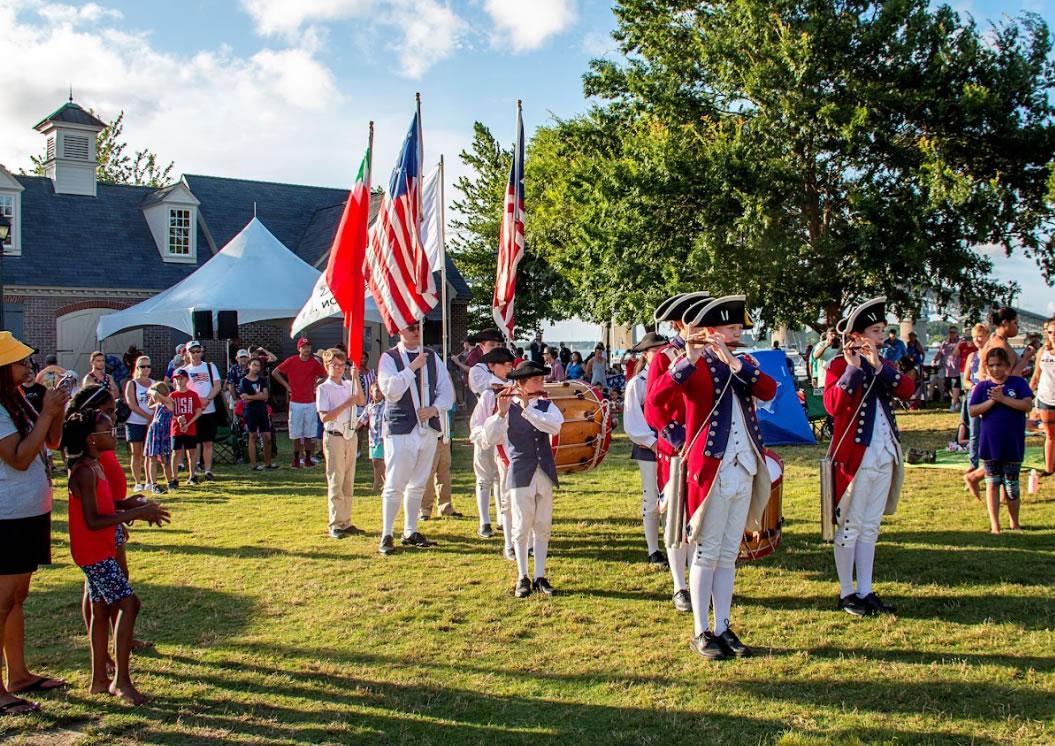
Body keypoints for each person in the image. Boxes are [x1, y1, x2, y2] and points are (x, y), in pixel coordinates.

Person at [649, 296, 777, 659]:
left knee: (727, 554)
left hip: (744, 467)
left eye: (739, 329)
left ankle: (723, 625)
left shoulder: (744, 363)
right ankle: (701, 630)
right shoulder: (691, 364)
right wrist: (689, 359)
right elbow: (657, 402)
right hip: (709, 469)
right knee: (705, 551)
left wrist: (735, 361)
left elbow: (769, 391)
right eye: (732, 328)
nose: (739, 333)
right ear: (711, 331)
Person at [63, 408, 170, 704]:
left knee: (101, 610)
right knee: (129, 604)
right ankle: (121, 682)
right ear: (90, 440)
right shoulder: (84, 471)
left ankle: (99, 679)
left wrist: (126, 504)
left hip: (100, 550)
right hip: (93, 553)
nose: (114, 434)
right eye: (107, 431)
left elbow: (104, 504)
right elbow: (93, 520)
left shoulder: (94, 466)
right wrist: (138, 512)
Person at [824, 297, 916, 618]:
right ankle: (847, 592)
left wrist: (877, 366)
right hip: (855, 455)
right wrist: (853, 368)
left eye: (882, 331)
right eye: (876, 331)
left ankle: (866, 589)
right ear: (858, 335)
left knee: (870, 527)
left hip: (883, 452)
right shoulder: (838, 365)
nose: (881, 337)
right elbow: (833, 405)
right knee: (850, 525)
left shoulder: (882, 364)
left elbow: (906, 390)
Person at [0, 333, 68, 716]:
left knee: (15, 600)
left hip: (29, 512)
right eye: (22, 362)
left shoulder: (19, 399)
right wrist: (45, 413)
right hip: (5, 515)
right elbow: (20, 458)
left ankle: (19, 675)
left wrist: (55, 410)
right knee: (1, 602)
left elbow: (51, 443)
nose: (30, 367)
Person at [480, 360, 565, 596]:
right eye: (535, 380)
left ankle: (540, 575)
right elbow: (490, 437)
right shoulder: (507, 406)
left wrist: (529, 409)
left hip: (544, 472)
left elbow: (555, 427)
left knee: (542, 525)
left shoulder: (546, 406)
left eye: (541, 379)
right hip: (520, 471)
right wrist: (501, 413)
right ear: (521, 383)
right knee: (521, 525)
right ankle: (522, 576)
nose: (541, 383)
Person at [625, 332, 695, 612]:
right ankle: (654, 548)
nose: (659, 354)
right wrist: (652, 442)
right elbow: (633, 420)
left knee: (676, 501)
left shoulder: (676, 374)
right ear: (645, 355)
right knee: (652, 498)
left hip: (673, 445)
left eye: (661, 349)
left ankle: (678, 546)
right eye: (654, 351)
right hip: (649, 445)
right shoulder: (636, 383)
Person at [376, 320, 455, 555]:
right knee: (395, 482)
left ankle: (410, 530)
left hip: (427, 427)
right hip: (401, 427)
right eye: (411, 328)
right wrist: (412, 368)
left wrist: (434, 408)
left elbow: (446, 390)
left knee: (419, 482)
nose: (417, 332)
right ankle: (387, 533)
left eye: (419, 327)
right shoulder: (389, 358)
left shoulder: (431, 356)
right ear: (400, 331)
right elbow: (390, 391)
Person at [970, 347, 1032, 533]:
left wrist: (1003, 398)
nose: (995, 369)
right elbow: (973, 410)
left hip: (1012, 443)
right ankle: (995, 525)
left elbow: (1026, 404)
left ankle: (1015, 522)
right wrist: (992, 401)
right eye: (991, 365)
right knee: (992, 484)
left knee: (1012, 486)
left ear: (1007, 365)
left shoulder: (1017, 383)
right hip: (990, 445)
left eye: (999, 365)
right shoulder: (982, 387)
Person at [316, 349, 366, 538]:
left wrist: (355, 379)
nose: (338, 369)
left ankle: (346, 520)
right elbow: (325, 416)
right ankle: (335, 522)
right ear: (327, 366)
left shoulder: (348, 384)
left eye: (341, 365)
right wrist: (346, 404)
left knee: (348, 480)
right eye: (334, 365)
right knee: (336, 479)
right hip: (334, 434)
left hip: (349, 435)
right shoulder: (324, 388)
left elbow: (360, 400)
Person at [469, 347, 516, 546]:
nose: (508, 368)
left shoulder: (517, 388)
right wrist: (486, 436)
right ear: (491, 366)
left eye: (509, 365)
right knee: (484, 479)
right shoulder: (488, 394)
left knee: (504, 484)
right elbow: (476, 425)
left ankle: (502, 519)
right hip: (487, 442)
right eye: (503, 365)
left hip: (509, 446)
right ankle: (484, 521)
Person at [273, 337, 326, 469]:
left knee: (309, 432)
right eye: (304, 347)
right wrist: (287, 386)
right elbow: (275, 372)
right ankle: (296, 458)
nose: (306, 349)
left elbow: (324, 375)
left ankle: (307, 457)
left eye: (308, 346)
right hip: (296, 401)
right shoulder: (292, 361)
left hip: (309, 401)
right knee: (296, 432)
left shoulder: (314, 363)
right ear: (299, 348)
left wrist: (316, 383)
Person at [181, 341, 223, 481]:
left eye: (198, 351)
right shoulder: (185, 371)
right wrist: (197, 402)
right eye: (192, 352)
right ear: (188, 354)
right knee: (194, 443)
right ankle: (193, 472)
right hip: (193, 411)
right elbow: (182, 390)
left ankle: (208, 470)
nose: (196, 354)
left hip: (209, 409)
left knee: (208, 442)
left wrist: (208, 398)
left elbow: (217, 385)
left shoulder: (210, 367)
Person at [961, 323, 993, 497]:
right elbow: (965, 380)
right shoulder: (972, 356)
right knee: (974, 432)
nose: (977, 340)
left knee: (988, 431)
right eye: (975, 337)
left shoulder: (992, 355)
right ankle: (973, 464)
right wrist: (972, 387)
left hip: (989, 396)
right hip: (974, 396)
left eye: (980, 336)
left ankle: (986, 464)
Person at [419, 405, 462, 521]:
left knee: (444, 472)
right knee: (428, 474)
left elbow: (452, 400)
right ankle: (425, 509)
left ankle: (445, 506)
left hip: (444, 437)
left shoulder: (445, 392)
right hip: (430, 437)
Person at [1029, 318, 1055, 478]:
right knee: (1050, 435)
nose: (1053, 335)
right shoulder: (1043, 351)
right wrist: (1027, 396)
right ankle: (1049, 468)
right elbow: (1036, 376)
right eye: (1050, 332)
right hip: (1045, 397)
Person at [167, 369, 203, 486]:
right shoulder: (172, 395)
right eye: (176, 379)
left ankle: (192, 475)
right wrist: (177, 419)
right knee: (176, 452)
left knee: (192, 451)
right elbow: (167, 413)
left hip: (190, 427)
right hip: (176, 428)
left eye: (181, 378)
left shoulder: (193, 395)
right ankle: (175, 478)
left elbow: (198, 412)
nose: (178, 381)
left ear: (186, 379)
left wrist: (188, 423)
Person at [239, 358, 276, 471]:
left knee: (267, 437)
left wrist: (251, 397)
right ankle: (253, 464)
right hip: (250, 411)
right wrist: (256, 397)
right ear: (249, 366)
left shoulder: (262, 379)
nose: (256, 367)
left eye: (258, 365)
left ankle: (267, 463)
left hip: (262, 410)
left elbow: (265, 396)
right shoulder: (244, 381)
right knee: (253, 436)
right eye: (254, 365)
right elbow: (244, 399)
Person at [124, 355, 154, 491]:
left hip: (151, 422)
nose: (146, 369)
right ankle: (137, 481)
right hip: (135, 421)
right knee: (136, 453)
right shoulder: (132, 384)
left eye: (148, 366)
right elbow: (132, 404)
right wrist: (147, 416)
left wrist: (152, 418)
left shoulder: (153, 383)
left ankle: (149, 480)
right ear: (137, 368)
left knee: (149, 453)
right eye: (143, 366)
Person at [464, 329, 505, 421]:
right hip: (486, 417)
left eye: (498, 345)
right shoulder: (477, 370)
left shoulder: (508, 367)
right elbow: (498, 383)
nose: (496, 348)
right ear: (482, 346)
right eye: (492, 345)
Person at [144, 382, 174, 494]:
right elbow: (148, 405)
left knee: (165, 460)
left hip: (163, 433)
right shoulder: (159, 405)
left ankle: (170, 481)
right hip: (155, 432)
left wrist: (152, 391)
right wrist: (153, 397)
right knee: (152, 458)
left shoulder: (169, 402)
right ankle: (154, 484)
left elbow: (155, 393)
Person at [361, 382, 386, 492]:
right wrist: (352, 428)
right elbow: (362, 419)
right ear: (371, 393)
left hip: (383, 438)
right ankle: (383, 481)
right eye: (376, 391)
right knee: (375, 462)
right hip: (373, 438)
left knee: (381, 461)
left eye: (380, 391)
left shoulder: (386, 406)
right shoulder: (369, 407)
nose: (378, 393)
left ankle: (379, 483)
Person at [933, 326, 963, 411]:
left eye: (953, 332)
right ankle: (957, 402)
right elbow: (940, 353)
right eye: (950, 332)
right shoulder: (945, 343)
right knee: (949, 387)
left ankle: (953, 405)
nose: (951, 334)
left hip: (957, 369)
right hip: (947, 370)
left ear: (957, 333)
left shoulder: (960, 342)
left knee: (956, 387)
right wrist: (934, 360)